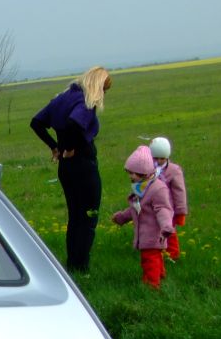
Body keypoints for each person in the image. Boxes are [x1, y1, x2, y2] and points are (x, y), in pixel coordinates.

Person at [30, 66, 113, 274]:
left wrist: (55, 147)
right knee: (89, 215)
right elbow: (75, 123)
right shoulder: (86, 101)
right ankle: (82, 266)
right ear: (98, 86)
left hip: (66, 168)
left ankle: (72, 264)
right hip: (83, 164)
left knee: (75, 216)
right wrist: (69, 148)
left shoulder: (64, 96)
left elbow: (37, 122)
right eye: (104, 89)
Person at [111, 145, 174, 289]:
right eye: (129, 172)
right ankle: (161, 275)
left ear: (145, 172)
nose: (131, 176)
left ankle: (151, 285)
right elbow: (136, 209)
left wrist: (166, 226)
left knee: (149, 259)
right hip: (145, 234)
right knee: (155, 257)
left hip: (153, 234)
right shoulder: (141, 188)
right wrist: (122, 217)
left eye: (134, 173)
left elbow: (163, 209)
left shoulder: (157, 189)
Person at [149, 136, 188, 262]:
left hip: (168, 208)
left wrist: (180, 211)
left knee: (169, 231)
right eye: (156, 158)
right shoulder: (147, 170)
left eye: (162, 158)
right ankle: (155, 250)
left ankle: (173, 253)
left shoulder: (174, 171)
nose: (159, 161)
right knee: (153, 230)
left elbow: (179, 192)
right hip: (151, 207)